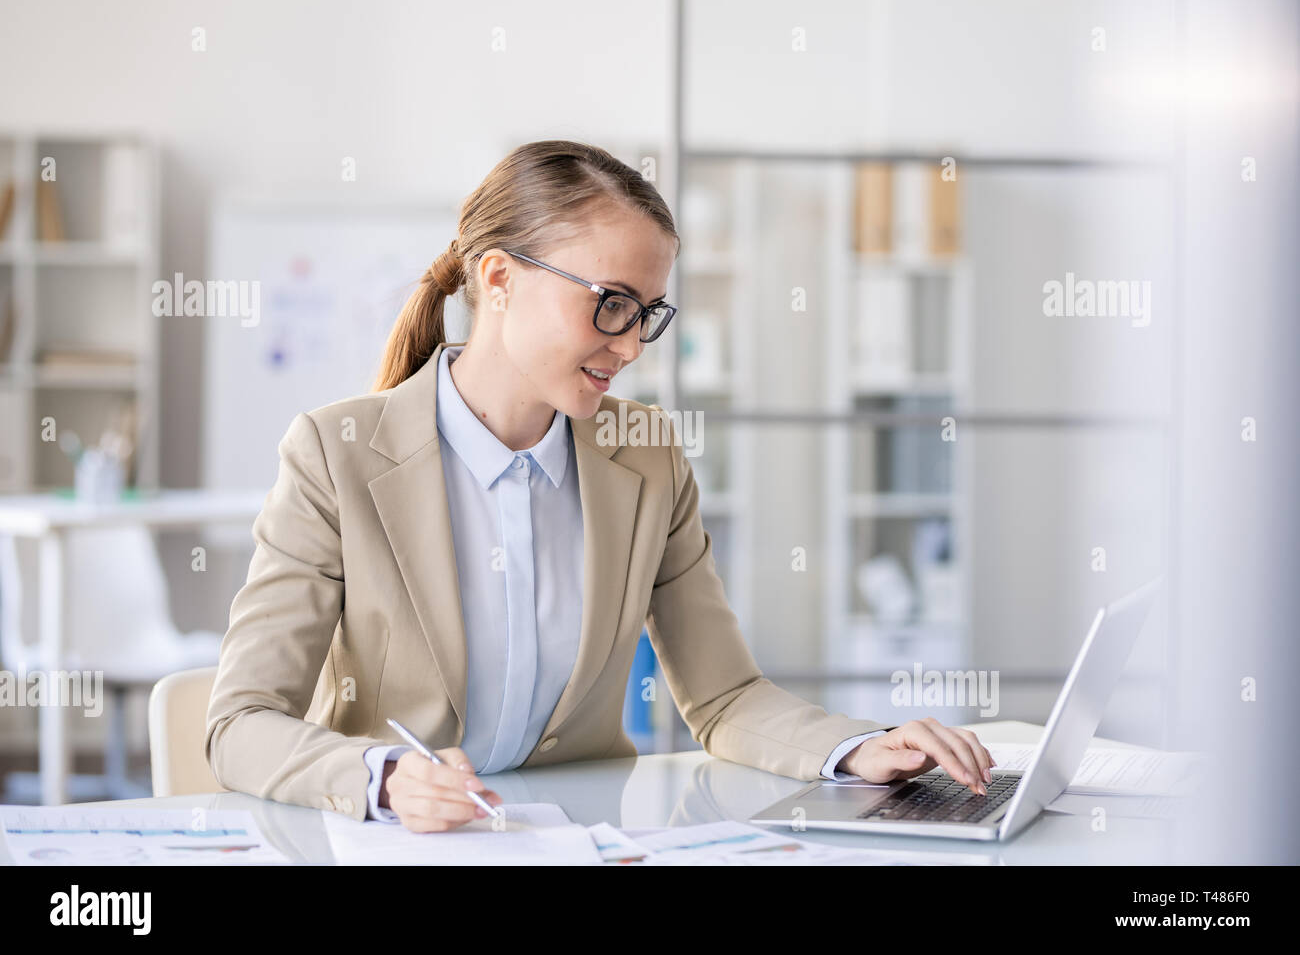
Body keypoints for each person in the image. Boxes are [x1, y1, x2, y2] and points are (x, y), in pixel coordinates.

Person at [205, 140, 993, 832]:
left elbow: (724, 697)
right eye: (610, 304)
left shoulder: (646, 455)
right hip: (396, 846)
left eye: (646, 313)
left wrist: (858, 747)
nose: (629, 345)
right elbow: (241, 721)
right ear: (500, 278)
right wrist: (380, 780)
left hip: (578, 843)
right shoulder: (335, 456)